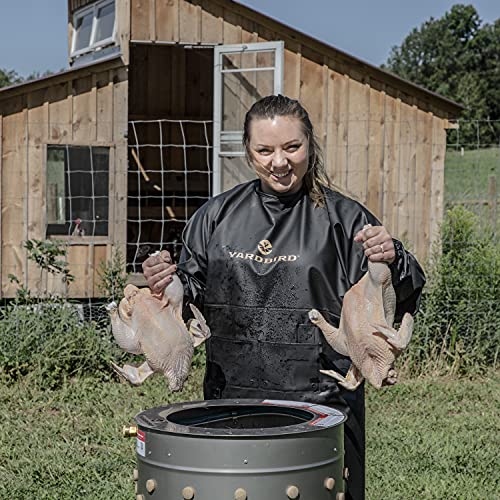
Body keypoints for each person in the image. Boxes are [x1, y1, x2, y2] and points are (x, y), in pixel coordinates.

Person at [142, 94, 425, 500]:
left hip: (324, 407)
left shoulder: (346, 220)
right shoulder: (215, 216)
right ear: (247, 152)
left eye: (292, 147)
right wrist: (166, 286)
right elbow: (191, 296)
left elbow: (399, 293)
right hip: (229, 401)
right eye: (265, 150)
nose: (280, 162)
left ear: (310, 144)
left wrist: (393, 257)